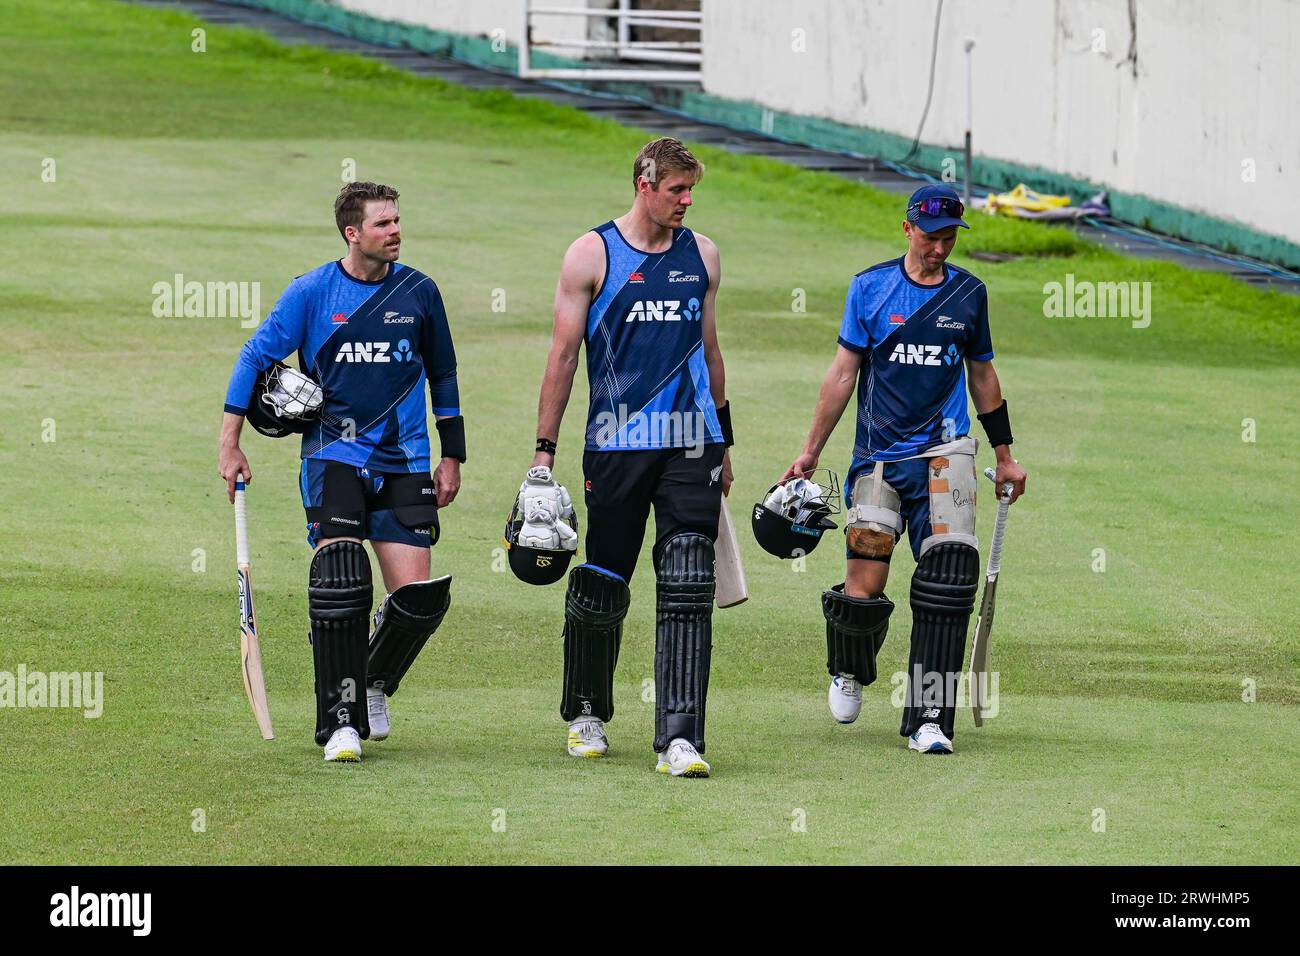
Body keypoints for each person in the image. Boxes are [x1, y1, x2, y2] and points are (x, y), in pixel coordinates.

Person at [217, 182, 465, 762]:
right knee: (343, 585)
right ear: (352, 233)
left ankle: (372, 678)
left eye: (398, 220)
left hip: (406, 459)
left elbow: (444, 377)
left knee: (419, 601)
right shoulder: (311, 293)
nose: (395, 231)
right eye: (383, 224)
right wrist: (230, 443)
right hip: (333, 458)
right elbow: (255, 358)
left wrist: (452, 455)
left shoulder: (420, 292)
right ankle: (341, 724)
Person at [782, 183, 1026, 755]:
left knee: (946, 586)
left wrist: (1005, 455)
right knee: (863, 588)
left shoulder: (969, 294)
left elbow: (982, 376)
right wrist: (811, 451)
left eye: (949, 238)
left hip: (947, 456)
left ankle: (929, 720)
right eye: (932, 236)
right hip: (879, 461)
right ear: (907, 229)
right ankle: (848, 667)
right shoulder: (870, 289)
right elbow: (843, 374)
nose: (941, 248)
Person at [528, 137, 734, 778]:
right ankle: (586, 713)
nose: (687, 200)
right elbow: (563, 356)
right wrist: (543, 454)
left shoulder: (702, 255)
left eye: (691, 189)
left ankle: (681, 737)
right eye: (677, 189)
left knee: (688, 578)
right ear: (645, 185)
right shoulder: (592, 254)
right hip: (615, 443)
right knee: (604, 578)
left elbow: (710, 350)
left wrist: (723, 440)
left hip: (690, 441)